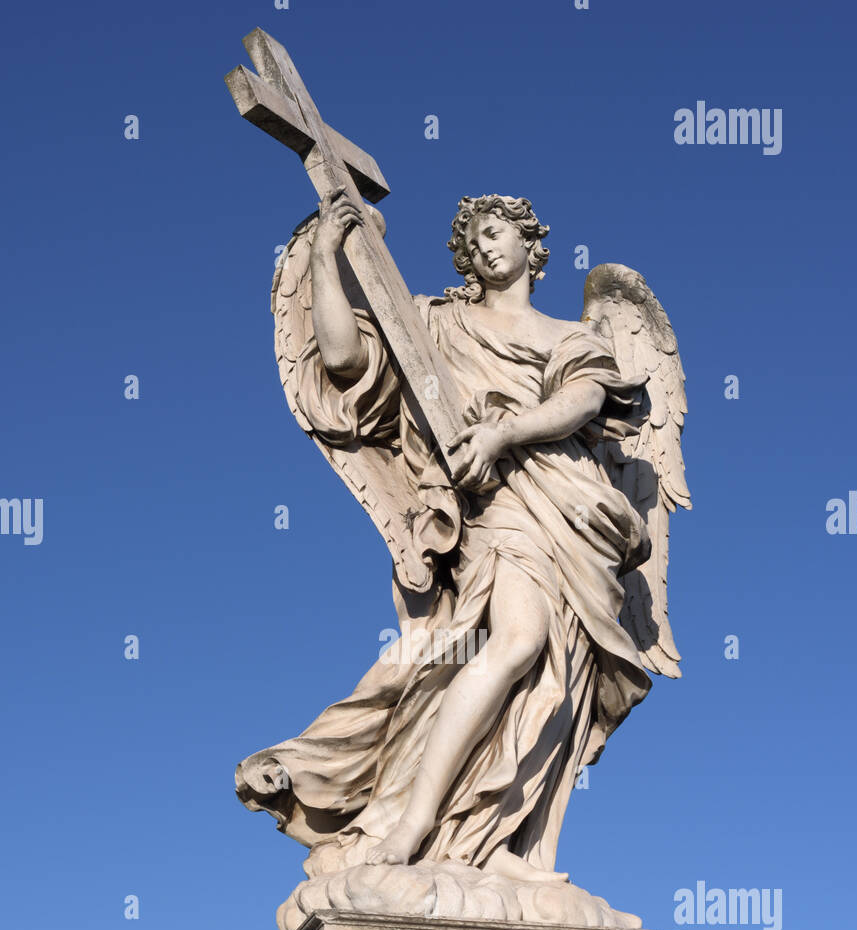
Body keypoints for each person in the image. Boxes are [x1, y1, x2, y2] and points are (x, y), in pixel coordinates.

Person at [236, 192, 652, 885]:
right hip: (499, 509)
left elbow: (584, 399)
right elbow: (343, 357)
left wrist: (504, 432)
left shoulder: (570, 337)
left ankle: (497, 841)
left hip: (572, 508)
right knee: (519, 641)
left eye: (498, 233)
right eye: (474, 241)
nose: (486, 247)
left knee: (553, 680)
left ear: (531, 245)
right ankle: (414, 823)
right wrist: (328, 256)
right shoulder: (435, 323)